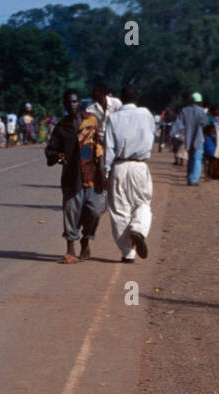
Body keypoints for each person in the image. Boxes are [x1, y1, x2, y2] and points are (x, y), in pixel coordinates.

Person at [44, 88, 106, 263]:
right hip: (72, 178)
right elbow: (51, 151)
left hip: (92, 175)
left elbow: (99, 147)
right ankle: (70, 250)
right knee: (71, 212)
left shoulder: (91, 121)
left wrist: (103, 173)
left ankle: (87, 239)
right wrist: (57, 157)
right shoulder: (61, 127)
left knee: (95, 211)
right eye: (68, 102)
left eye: (75, 101)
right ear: (64, 105)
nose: (72, 105)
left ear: (80, 103)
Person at [104, 84, 156, 264]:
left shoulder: (114, 118)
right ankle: (139, 229)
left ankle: (128, 253)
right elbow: (151, 136)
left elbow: (109, 148)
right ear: (137, 99)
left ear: (121, 98)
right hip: (140, 166)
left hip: (119, 166)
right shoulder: (146, 115)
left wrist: (105, 173)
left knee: (120, 210)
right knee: (143, 203)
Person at [175, 92, 208, 185]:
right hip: (198, 137)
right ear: (199, 101)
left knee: (190, 158)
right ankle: (194, 180)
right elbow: (205, 123)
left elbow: (179, 123)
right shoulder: (202, 111)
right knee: (197, 159)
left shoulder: (184, 110)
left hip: (188, 137)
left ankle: (190, 177)